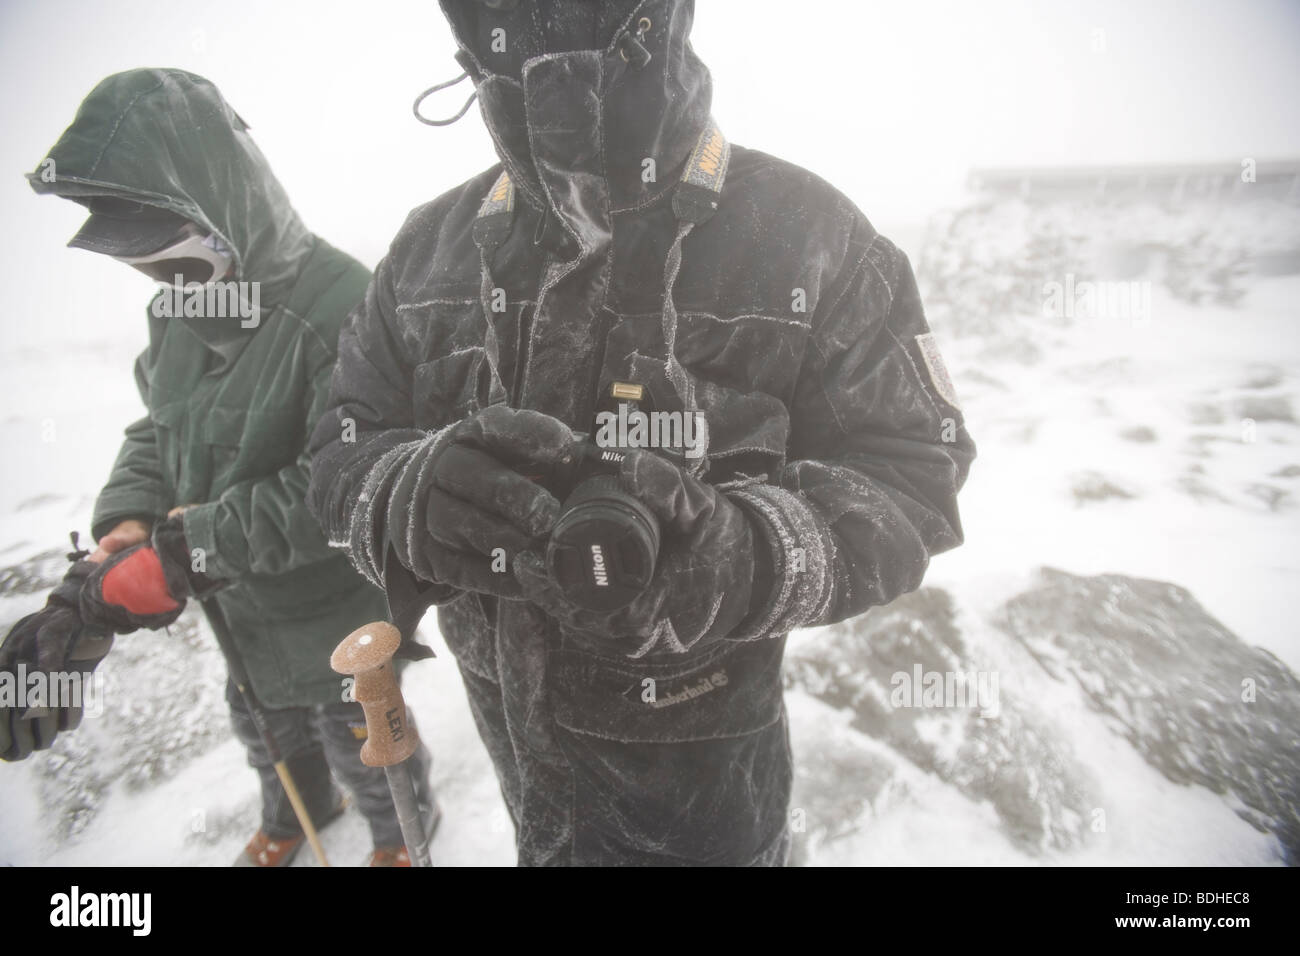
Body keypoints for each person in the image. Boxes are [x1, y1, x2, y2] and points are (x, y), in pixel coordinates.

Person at [308, 0, 975, 866]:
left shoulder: (810, 236)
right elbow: (340, 447)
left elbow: (913, 472)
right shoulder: (428, 251)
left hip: (708, 789)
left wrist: (757, 553)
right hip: (515, 753)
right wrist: (401, 494)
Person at [15, 68, 436, 867]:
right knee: (263, 727)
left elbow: (338, 488)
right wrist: (129, 520)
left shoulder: (341, 304)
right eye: (141, 263)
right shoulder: (182, 307)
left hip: (330, 610)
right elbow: (159, 425)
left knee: (362, 739)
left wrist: (188, 550)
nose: (155, 280)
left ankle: (400, 835)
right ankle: (299, 814)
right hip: (237, 605)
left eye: (164, 250)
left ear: (218, 211)